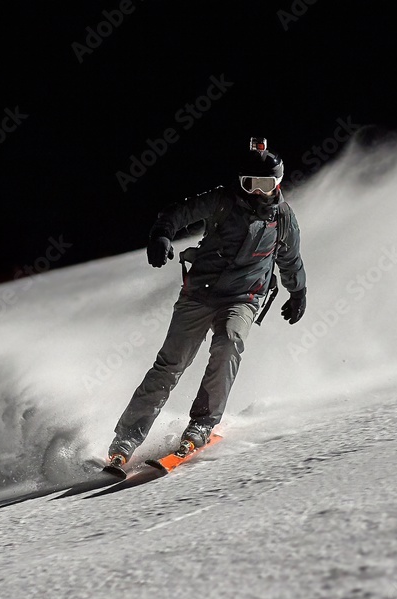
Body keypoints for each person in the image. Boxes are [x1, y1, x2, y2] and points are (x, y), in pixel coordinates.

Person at [106, 138, 307, 467]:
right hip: (200, 292)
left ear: (278, 182)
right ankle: (127, 437)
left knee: (229, 341)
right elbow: (177, 212)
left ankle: (202, 424)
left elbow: (291, 259)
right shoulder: (223, 200)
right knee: (170, 365)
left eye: (265, 185)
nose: (257, 193)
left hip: (244, 297)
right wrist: (161, 234)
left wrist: (297, 292)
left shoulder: (283, 219)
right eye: (250, 184)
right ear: (240, 182)